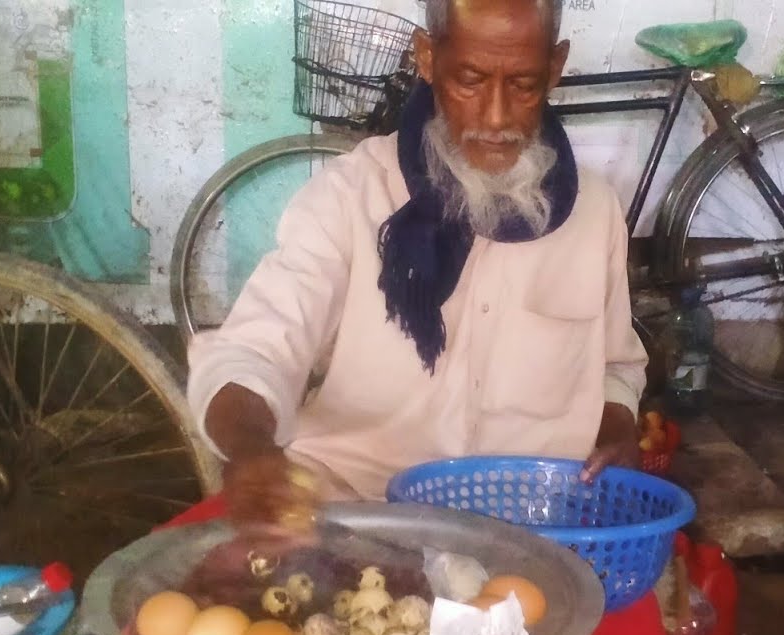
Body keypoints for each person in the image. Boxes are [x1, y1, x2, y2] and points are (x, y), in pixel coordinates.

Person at [187, 0, 648, 529]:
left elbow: (616, 366)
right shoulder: (351, 195)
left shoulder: (595, 212)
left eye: (523, 85)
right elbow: (255, 349)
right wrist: (251, 449)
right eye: (470, 81)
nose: (496, 117)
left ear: (555, 68)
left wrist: (616, 428)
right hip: (358, 515)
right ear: (427, 59)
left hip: (530, 526)